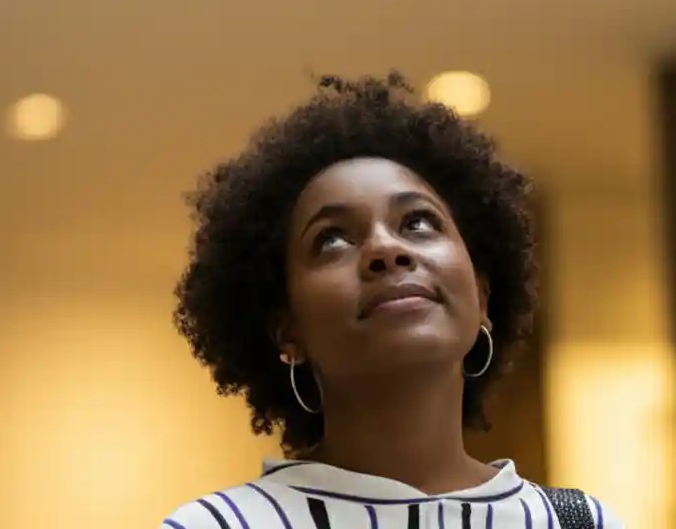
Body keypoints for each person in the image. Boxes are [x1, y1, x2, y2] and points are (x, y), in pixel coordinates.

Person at [163, 74, 622, 529]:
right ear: (287, 329)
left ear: (482, 297)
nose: (386, 249)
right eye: (332, 240)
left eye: (418, 223)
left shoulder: (582, 523)